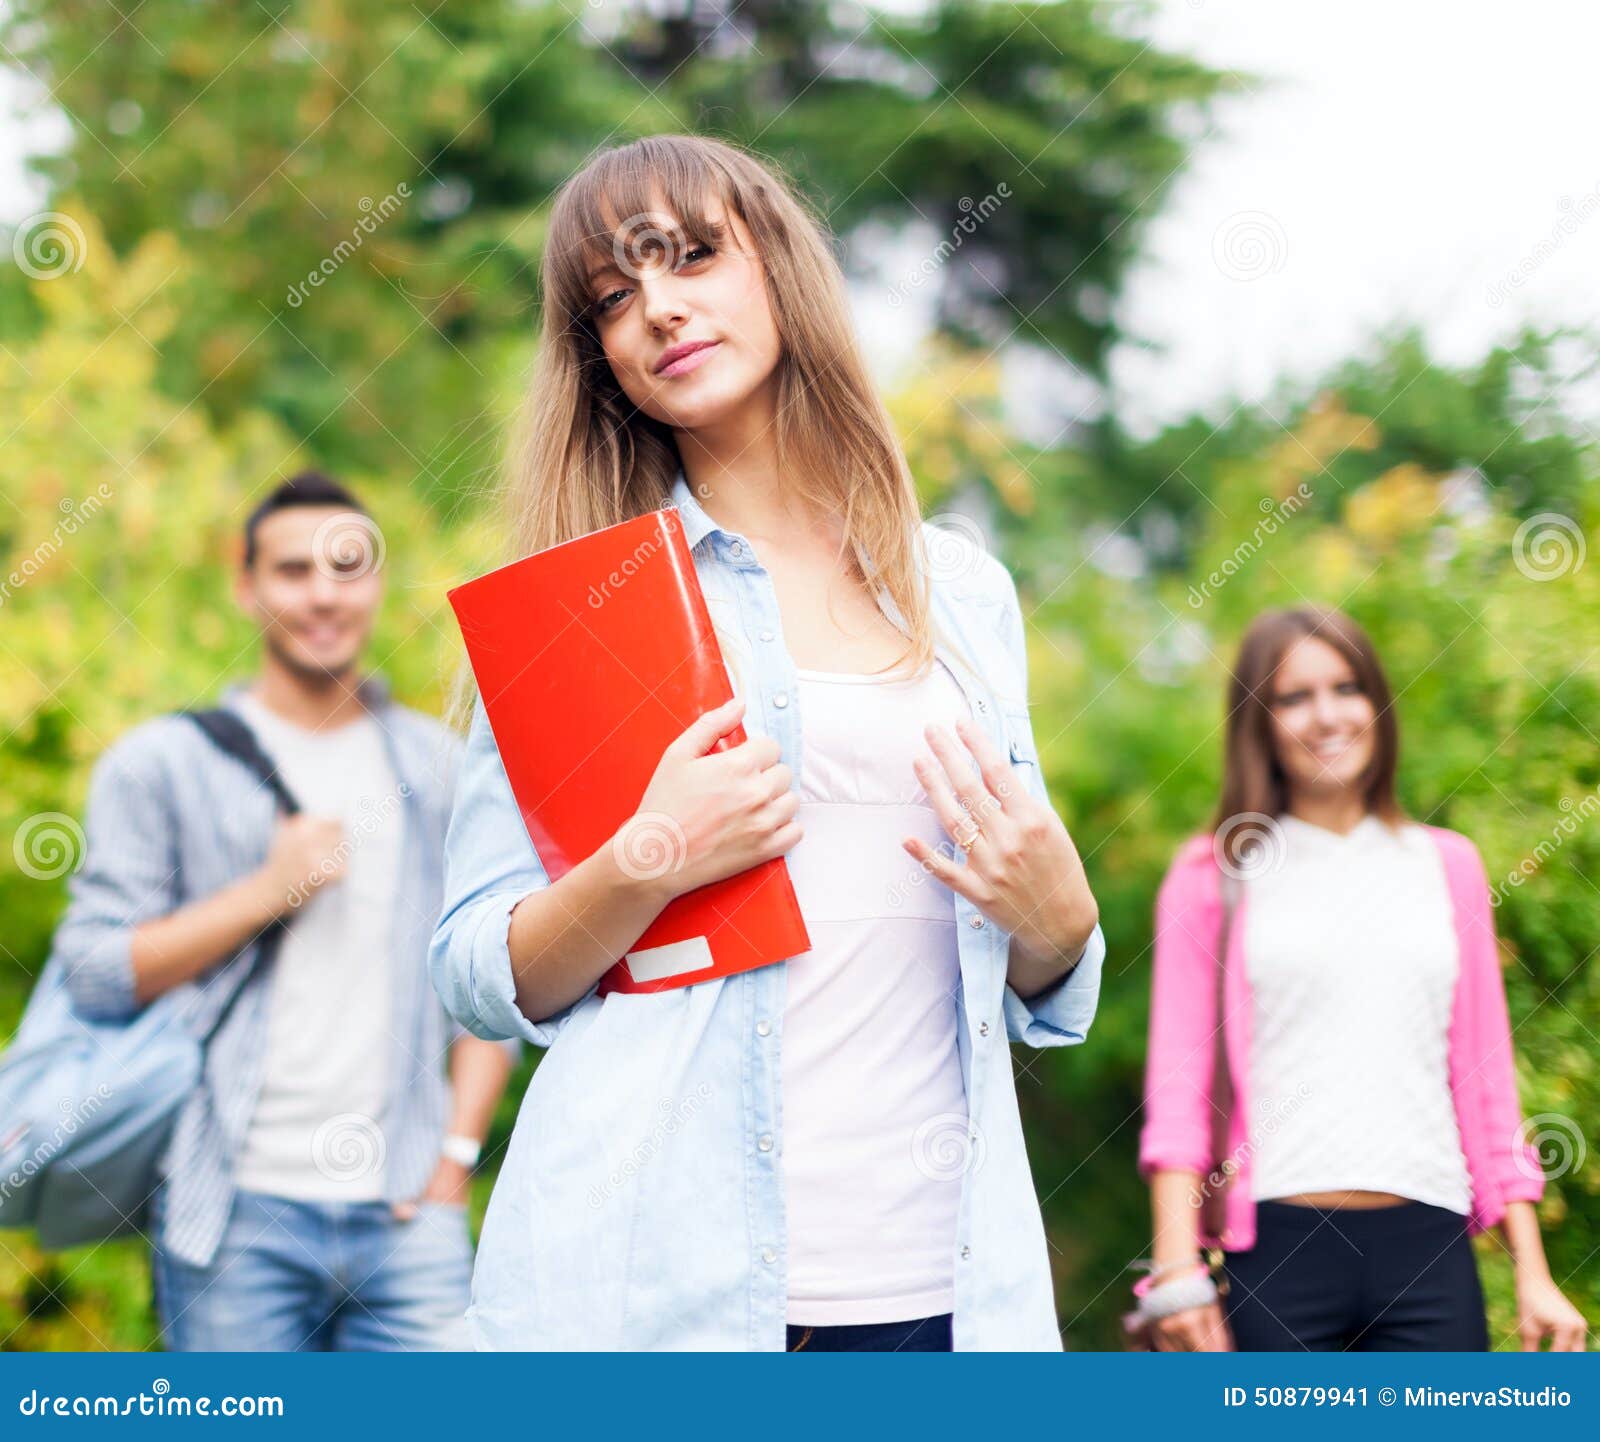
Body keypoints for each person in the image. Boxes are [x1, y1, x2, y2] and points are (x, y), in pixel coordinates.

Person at [430, 134, 1105, 1352]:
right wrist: (650, 854)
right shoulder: (576, 611)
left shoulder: (959, 591)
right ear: (601, 361)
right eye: (612, 301)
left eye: (691, 257)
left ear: (779, 269)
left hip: (948, 1290)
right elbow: (479, 968)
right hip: (664, 1294)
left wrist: (1061, 923)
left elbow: (1031, 944)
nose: (658, 311)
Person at [50, 471, 517, 1351]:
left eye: (349, 568)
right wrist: (266, 893)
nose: (324, 594)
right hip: (231, 1215)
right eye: (294, 570)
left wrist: (457, 1155)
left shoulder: (440, 768)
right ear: (247, 585)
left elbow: (484, 975)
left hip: (408, 1211)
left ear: (378, 584)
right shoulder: (161, 766)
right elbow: (94, 975)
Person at [1136, 605, 1587, 1352]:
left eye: (1345, 687)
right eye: (1293, 697)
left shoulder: (1449, 866)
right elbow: (1177, 1093)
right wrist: (1175, 1268)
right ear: (1260, 721)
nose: (1326, 715)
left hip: (1429, 1249)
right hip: (1273, 1256)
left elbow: (1487, 1084)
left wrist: (1532, 1273)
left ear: (1376, 701)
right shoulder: (1210, 877)